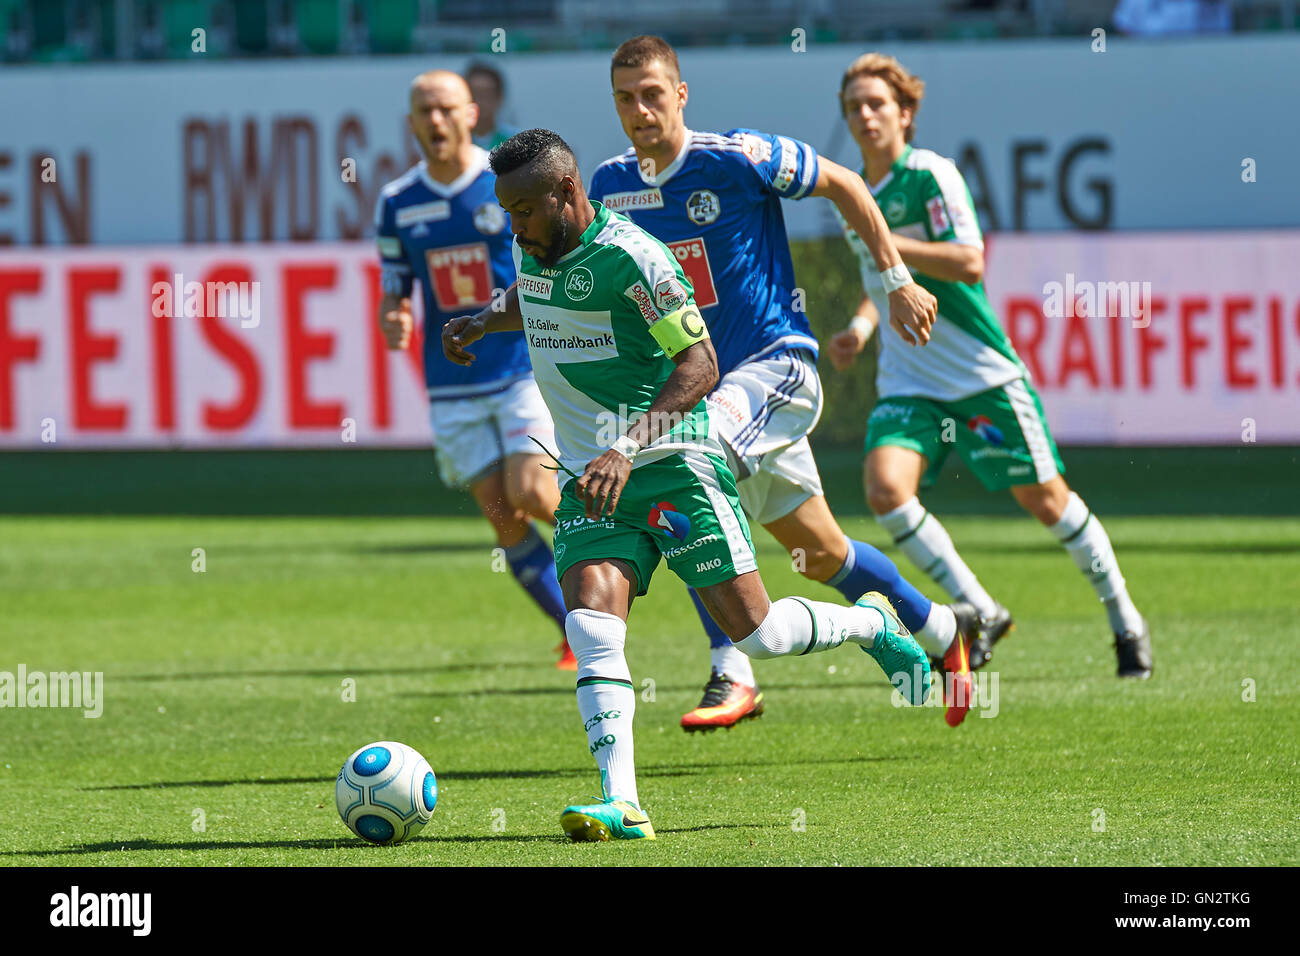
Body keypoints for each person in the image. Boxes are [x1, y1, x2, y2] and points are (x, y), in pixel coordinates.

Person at [443, 128, 933, 841]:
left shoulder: (636, 259)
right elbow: (537, 298)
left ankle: (872, 622)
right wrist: (484, 321)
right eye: (507, 211)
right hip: (592, 481)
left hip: (672, 466)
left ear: (566, 193)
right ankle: (623, 802)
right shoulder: (536, 243)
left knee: (757, 636)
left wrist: (626, 445)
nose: (512, 225)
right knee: (591, 624)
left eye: (521, 209)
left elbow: (700, 366)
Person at [588, 36, 977, 729]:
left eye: (653, 93)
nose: (640, 109)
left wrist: (895, 280)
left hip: (773, 369)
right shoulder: (609, 188)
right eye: (625, 97)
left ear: (680, 94)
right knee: (821, 554)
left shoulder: (739, 158)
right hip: (708, 396)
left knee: (685, 471)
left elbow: (846, 184)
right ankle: (945, 631)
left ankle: (730, 673)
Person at [826, 53, 1152, 678]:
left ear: (906, 113)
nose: (865, 116)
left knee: (1048, 502)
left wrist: (883, 239)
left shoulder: (931, 175)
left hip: (980, 374)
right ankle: (979, 607)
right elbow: (881, 278)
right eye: (853, 107)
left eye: (877, 104)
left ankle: (1125, 620)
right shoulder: (854, 195)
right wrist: (862, 328)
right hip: (910, 376)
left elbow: (968, 261)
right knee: (885, 490)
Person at [376, 70, 574, 670]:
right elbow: (395, 285)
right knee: (501, 514)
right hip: (450, 380)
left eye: (444, 109)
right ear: (411, 123)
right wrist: (394, 316)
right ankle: (576, 629)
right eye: (423, 112)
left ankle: (622, 536)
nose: (434, 121)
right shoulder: (396, 202)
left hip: (516, 364)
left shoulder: (501, 181)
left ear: (470, 115)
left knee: (532, 489)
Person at [465, 61, 520, 151]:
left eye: (486, 94)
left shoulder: (515, 141)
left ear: (500, 97)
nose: (480, 101)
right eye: (474, 94)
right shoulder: (454, 140)